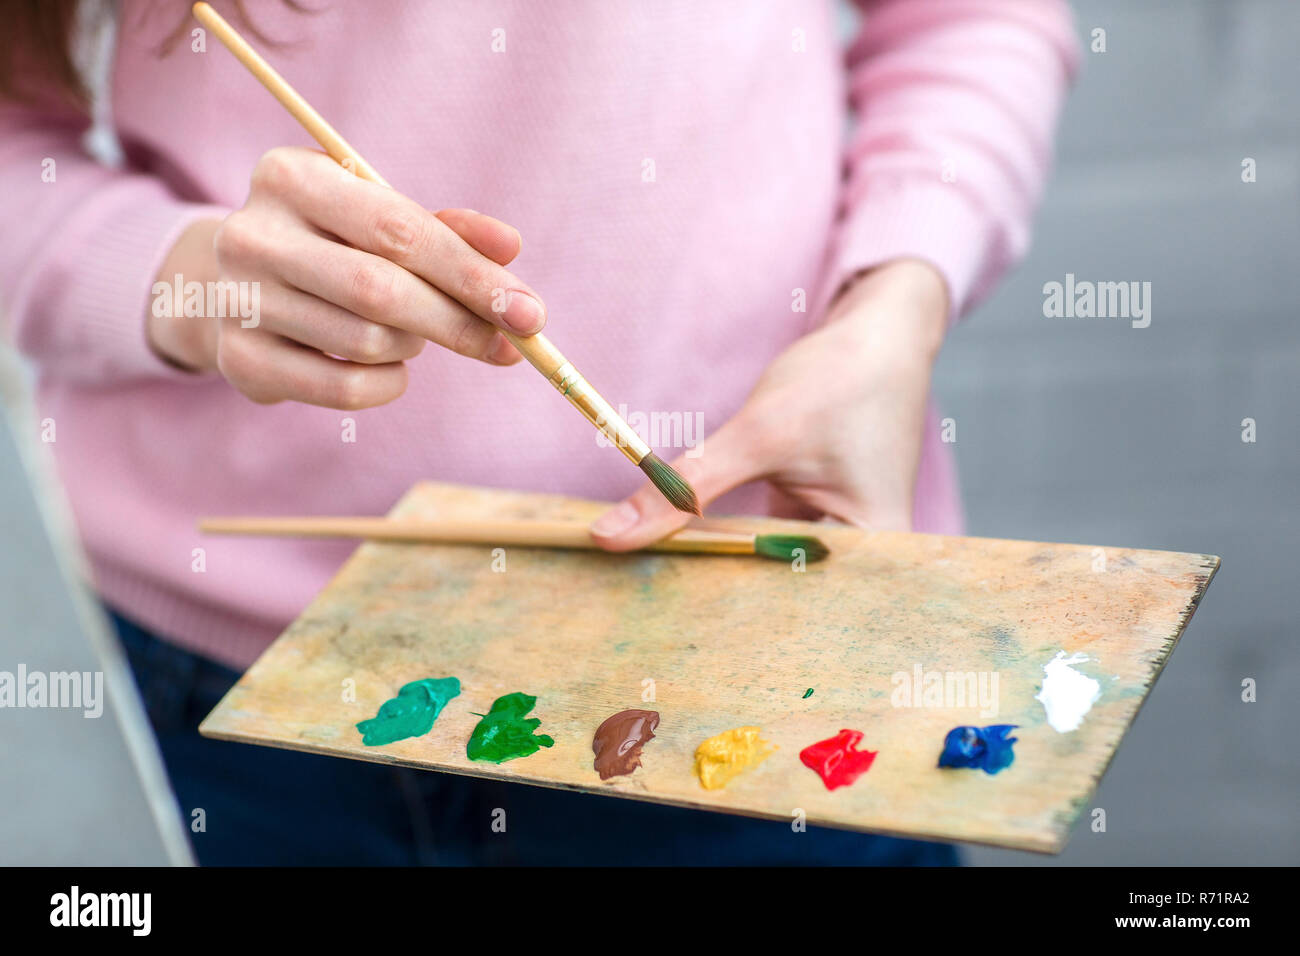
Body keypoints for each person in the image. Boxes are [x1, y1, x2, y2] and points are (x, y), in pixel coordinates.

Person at [0, 0, 1078, 865]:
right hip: (225, 683)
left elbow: (967, 20)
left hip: (754, 643)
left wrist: (896, 305)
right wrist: (188, 281)